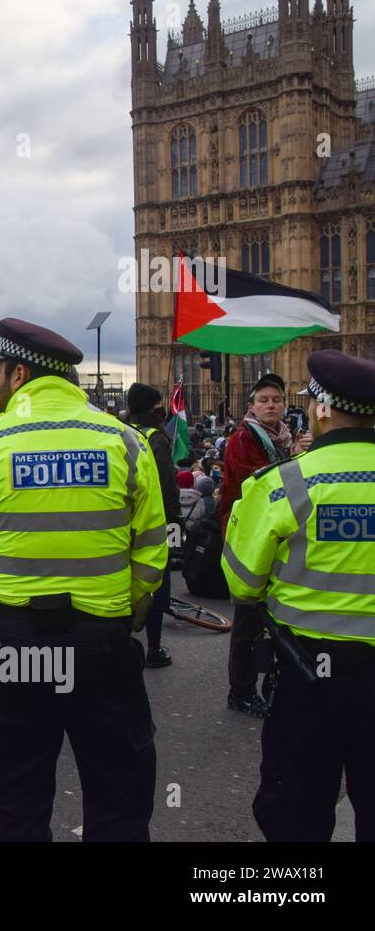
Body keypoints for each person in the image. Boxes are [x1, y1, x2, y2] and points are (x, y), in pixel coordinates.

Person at [0, 318, 166, 842]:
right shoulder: (125, 442)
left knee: (19, 795)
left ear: (20, 374)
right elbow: (152, 547)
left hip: (12, 642)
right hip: (101, 640)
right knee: (118, 791)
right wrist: (127, 607)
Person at [221, 350, 375, 841]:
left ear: (323, 410)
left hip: (312, 676)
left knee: (298, 814)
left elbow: (242, 583)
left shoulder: (286, 483)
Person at [221, 373, 311, 718]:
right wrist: (297, 461)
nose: (271, 405)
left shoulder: (284, 438)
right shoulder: (242, 440)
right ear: (252, 407)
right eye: (264, 400)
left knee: (273, 618)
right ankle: (240, 691)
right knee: (247, 620)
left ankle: (268, 684)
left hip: (275, 537)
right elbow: (259, 485)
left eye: (276, 399)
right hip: (248, 538)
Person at [124, 382, 180, 668]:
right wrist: (175, 526)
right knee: (158, 581)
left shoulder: (123, 433)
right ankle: (154, 647)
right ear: (152, 407)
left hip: (125, 520)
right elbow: (166, 487)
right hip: (153, 519)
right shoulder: (156, 437)